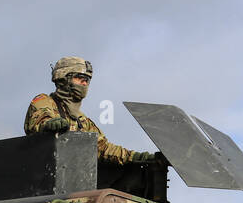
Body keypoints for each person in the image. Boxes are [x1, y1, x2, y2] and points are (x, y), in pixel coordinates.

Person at [24, 56, 162, 166]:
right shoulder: (44, 101)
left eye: (87, 80)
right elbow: (39, 122)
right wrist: (50, 125)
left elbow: (103, 149)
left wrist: (141, 157)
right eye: (79, 79)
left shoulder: (83, 122)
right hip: (44, 173)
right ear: (63, 79)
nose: (84, 84)